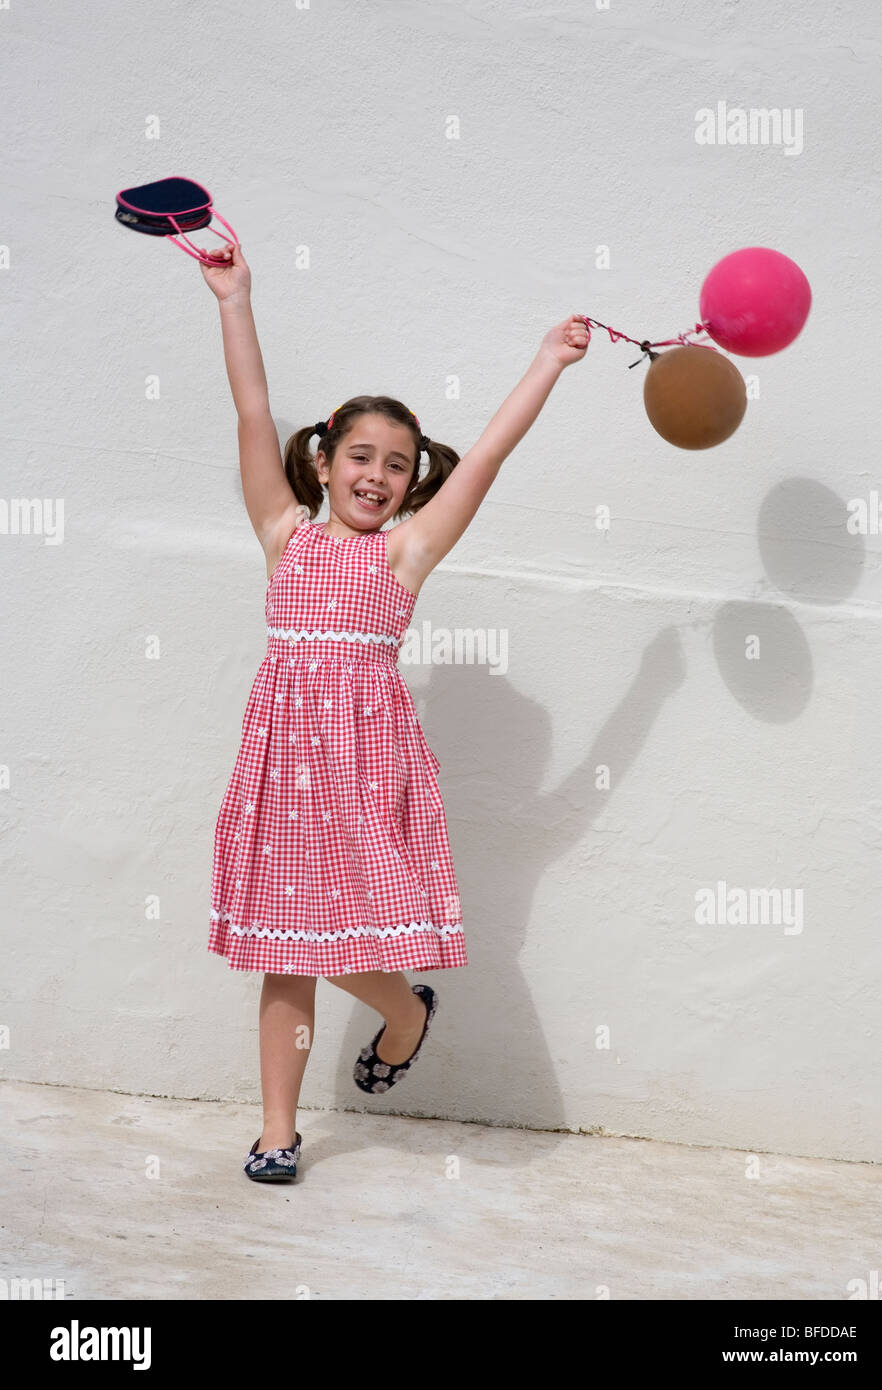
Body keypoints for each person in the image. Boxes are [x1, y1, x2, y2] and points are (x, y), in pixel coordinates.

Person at [199, 241, 590, 1181]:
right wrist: (235, 298)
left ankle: (406, 1011)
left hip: (365, 761)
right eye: (360, 457)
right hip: (279, 760)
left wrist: (546, 361)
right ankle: (277, 1133)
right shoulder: (281, 532)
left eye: (398, 465)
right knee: (281, 947)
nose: (376, 475)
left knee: (333, 936)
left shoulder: (405, 553)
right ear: (323, 461)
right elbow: (253, 409)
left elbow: (486, 456)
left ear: (415, 482)